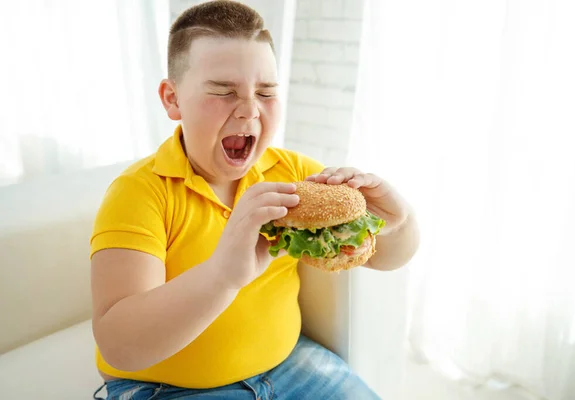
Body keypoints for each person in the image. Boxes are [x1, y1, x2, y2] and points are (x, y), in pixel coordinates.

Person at [90, 1, 419, 399]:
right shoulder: (140, 192)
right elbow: (119, 343)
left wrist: (397, 222)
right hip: (169, 388)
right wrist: (223, 276)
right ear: (172, 99)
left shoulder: (297, 175)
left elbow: (385, 257)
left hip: (291, 366)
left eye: (265, 91)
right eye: (223, 91)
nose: (249, 110)